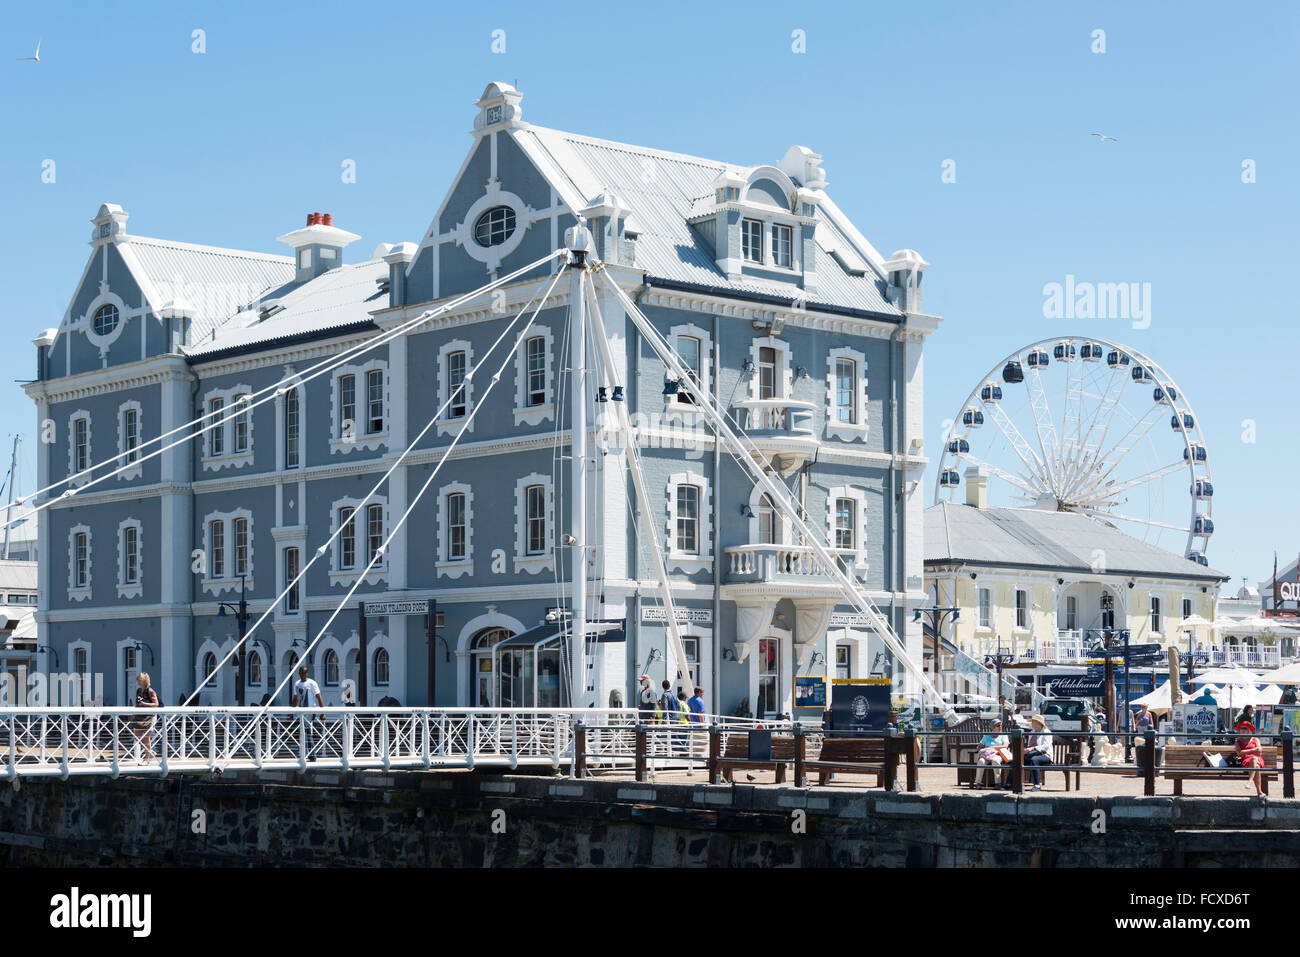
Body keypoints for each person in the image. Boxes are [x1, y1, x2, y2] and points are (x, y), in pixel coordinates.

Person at [292, 665, 325, 762]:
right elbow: (295, 699)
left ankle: (308, 755)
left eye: (305, 673)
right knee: (304, 733)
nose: (304, 675)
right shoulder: (297, 684)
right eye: (302, 672)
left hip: (310, 711)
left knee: (306, 732)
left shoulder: (312, 683)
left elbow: (319, 697)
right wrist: (291, 713)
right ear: (299, 673)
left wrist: (322, 713)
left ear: (307, 673)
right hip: (300, 712)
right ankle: (309, 755)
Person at [972, 719, 1010, 789]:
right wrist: (982, 750)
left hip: (998, 754)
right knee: (981, 761)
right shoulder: (986, 736)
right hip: (987, 755)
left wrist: (993, 747)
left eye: (1001, 725)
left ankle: (998, 783)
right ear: (993, 727)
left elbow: (1005, 746)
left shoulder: (1004, 735)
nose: (1000, 727)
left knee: (995, 761)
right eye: (998, 725)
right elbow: (979, 746)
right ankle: (978, 783)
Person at [133, 672, 161, 760]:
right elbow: (137, 704)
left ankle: (147, 759)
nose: (138, 682)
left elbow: (156, 704)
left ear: (144, 681)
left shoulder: (150, 691)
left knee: (146, 737)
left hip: (150, 717)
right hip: (140, 716)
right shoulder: (138, 691)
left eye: (139, 680)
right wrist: (134, 714)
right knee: (136, 737)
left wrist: (145, 704)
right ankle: (150, 751)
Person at [1235, 720, 1265, 798]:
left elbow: (1260, 751)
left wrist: (1245, 751)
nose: (1243, 730)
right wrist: (1253, 750)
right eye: (1241, 728)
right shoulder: (1238, 741)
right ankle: (1259, 792)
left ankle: (1250, 781)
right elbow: (1239, 753)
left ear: (1249, 730)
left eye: (1245, 728)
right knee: (1256, 766)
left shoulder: (1255, 739)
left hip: (1258, 759)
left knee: (1254, 759)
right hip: (1247, 761)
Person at [1024, 715, 1053, 791]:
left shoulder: (1046, 732)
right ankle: (1010, 783)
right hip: (1032, 753)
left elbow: (1046, 746)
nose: (1032, 724)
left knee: (1034, 760)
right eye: (1032, 722)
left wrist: (1033, 748)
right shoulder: (1032, 732)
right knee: (1018, 759)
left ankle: (1037, 785)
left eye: (1033, 722)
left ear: (1039, 723)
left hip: (1045, 755)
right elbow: (1029, 745)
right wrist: (1026, 750)